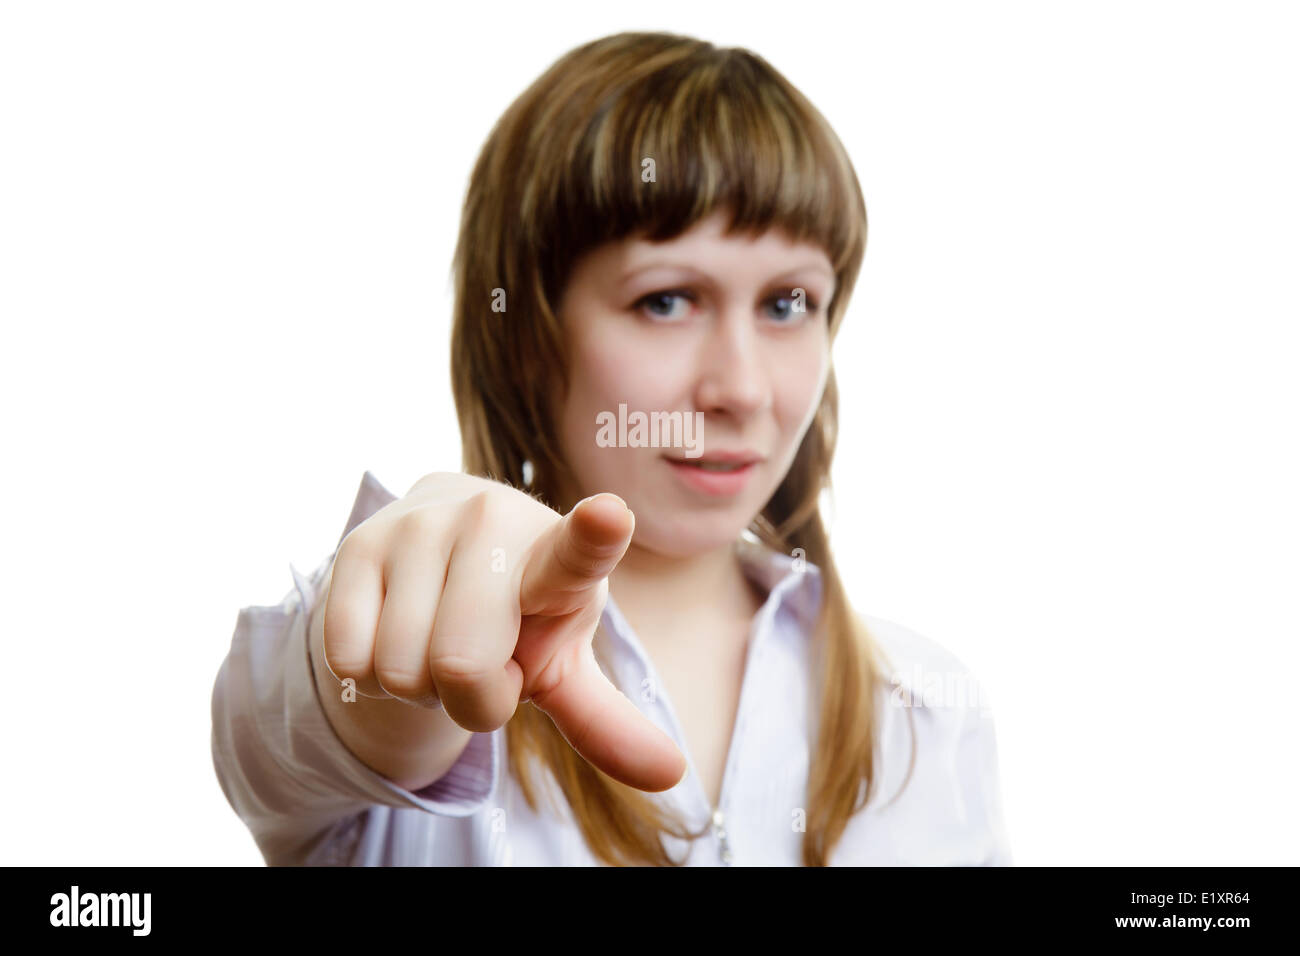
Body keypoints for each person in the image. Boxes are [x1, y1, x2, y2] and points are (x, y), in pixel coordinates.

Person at [210, 30, 1013, 866]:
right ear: (527, 335)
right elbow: (306, 730)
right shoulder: (402, 695)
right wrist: (404, 638)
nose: (741, 388)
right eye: (666, 300)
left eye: (787, 303)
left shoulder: (928, 714)